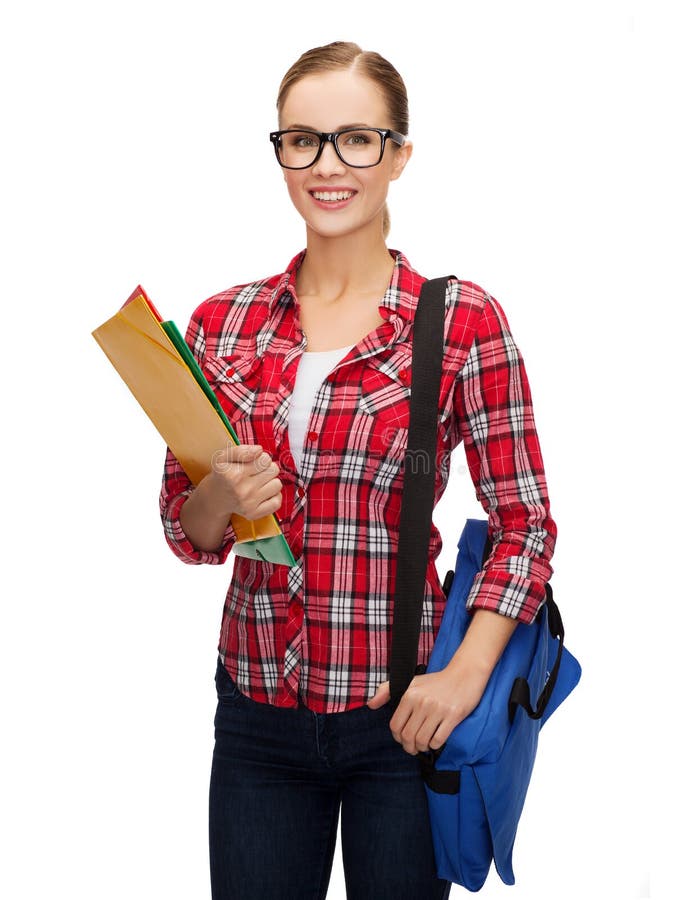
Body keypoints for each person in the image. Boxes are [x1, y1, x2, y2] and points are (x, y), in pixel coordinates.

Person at [159, 40, 556, 900]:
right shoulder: (223, 324)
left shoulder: (459, 322)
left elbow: (525, 524)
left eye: (356, 140)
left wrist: (462, 678)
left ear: (398, 155)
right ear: (281, 153)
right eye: (302, 140)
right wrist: (219, 498)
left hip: (402, 722)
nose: (326, 164)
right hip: (258, 713)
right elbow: (186, 533)